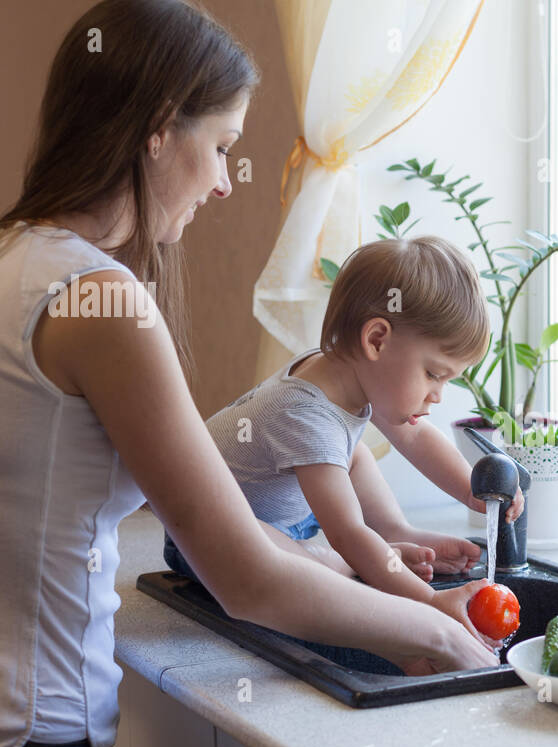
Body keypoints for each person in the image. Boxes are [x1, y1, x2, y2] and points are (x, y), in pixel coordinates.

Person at [0, 0, 495, 747]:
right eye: (220, 146)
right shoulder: (100, 302)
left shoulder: (2, 259)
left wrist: (388, 577)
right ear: (154, 130)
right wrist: (438, 633)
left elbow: (233, 528)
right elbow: (245, 575)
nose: (223, 181)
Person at [162, 236, 524, 675]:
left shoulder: (353, 371)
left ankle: (392, 533)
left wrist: (475, 492)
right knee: (324, 563)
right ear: (376, 339)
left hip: (297, 521)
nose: (437, 395)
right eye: (433, 374)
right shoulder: (306, 415)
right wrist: (428, 602)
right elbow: (348, 534)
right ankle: (375, 559)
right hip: (211, 542)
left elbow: (416, 437)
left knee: (354, 456)